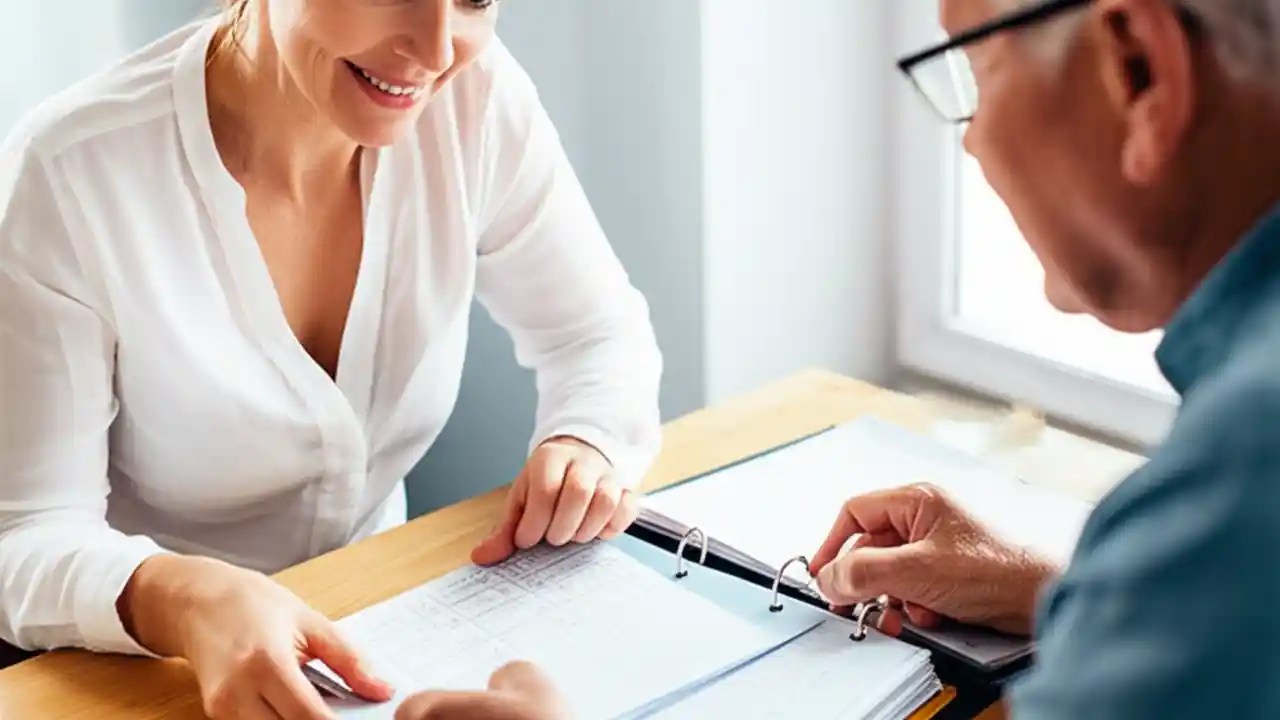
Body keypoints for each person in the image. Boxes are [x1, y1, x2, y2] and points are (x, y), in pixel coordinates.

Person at [394, 0, 1280, 717]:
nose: (968, 138)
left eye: (971, 66)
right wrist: (1068, 590)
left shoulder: (1240, 483)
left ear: (1141, 74)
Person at [0, 0, 662, 717]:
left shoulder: (477, 101)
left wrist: (587, 439)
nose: (438, 50)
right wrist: (186, 597)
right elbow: (22, 536)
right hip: (137, 676)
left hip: (382, 635)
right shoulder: (72, 171)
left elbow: (598, 332)